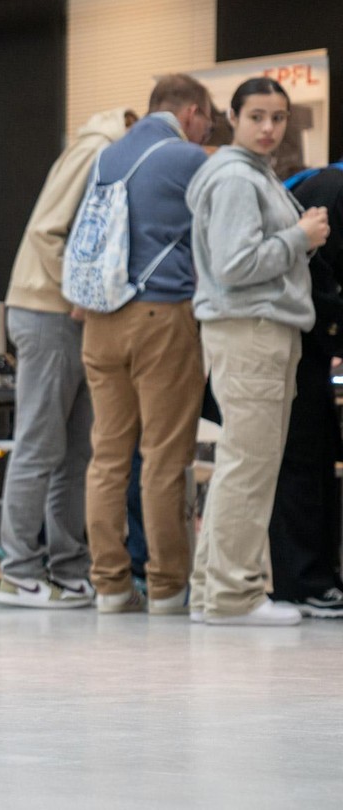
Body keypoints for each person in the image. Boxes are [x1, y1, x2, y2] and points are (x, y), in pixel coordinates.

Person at [188, 77, 330, 626]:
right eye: (257, 117)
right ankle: (233, 595)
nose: (269, 128)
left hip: (255, 331)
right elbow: (234, 265)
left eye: (278, 117)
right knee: (249, 467)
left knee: (242, 466)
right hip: (251, 331)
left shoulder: (250, 175)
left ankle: (212, 591)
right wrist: (301, 237)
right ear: (233, 116)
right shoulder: (234, 179)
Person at [79, 74, 215, 616]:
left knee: (108, 457)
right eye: (207, 119)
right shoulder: (187, 159)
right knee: (164, 457)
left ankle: (110, 585)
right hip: (161, 316)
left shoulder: (107, 157)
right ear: (190, 112)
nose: (207, 129)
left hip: (100, 319)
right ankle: (166, 587)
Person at [0, 107, 135, 609]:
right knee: (39, 444)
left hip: (70, 316)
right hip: (48, 311)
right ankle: (16, 571)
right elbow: (45, 232)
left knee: (76, 451)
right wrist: (76, 290)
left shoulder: (106, 148)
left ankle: (70, 567)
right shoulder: (100, 147)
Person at [270, 162, 343, 617]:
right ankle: (303, 581)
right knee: (301, 458)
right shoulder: (331, 188)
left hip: (306, 335)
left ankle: (314, 578)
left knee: (316, 458)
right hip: (293, 335)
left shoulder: (322, 181)